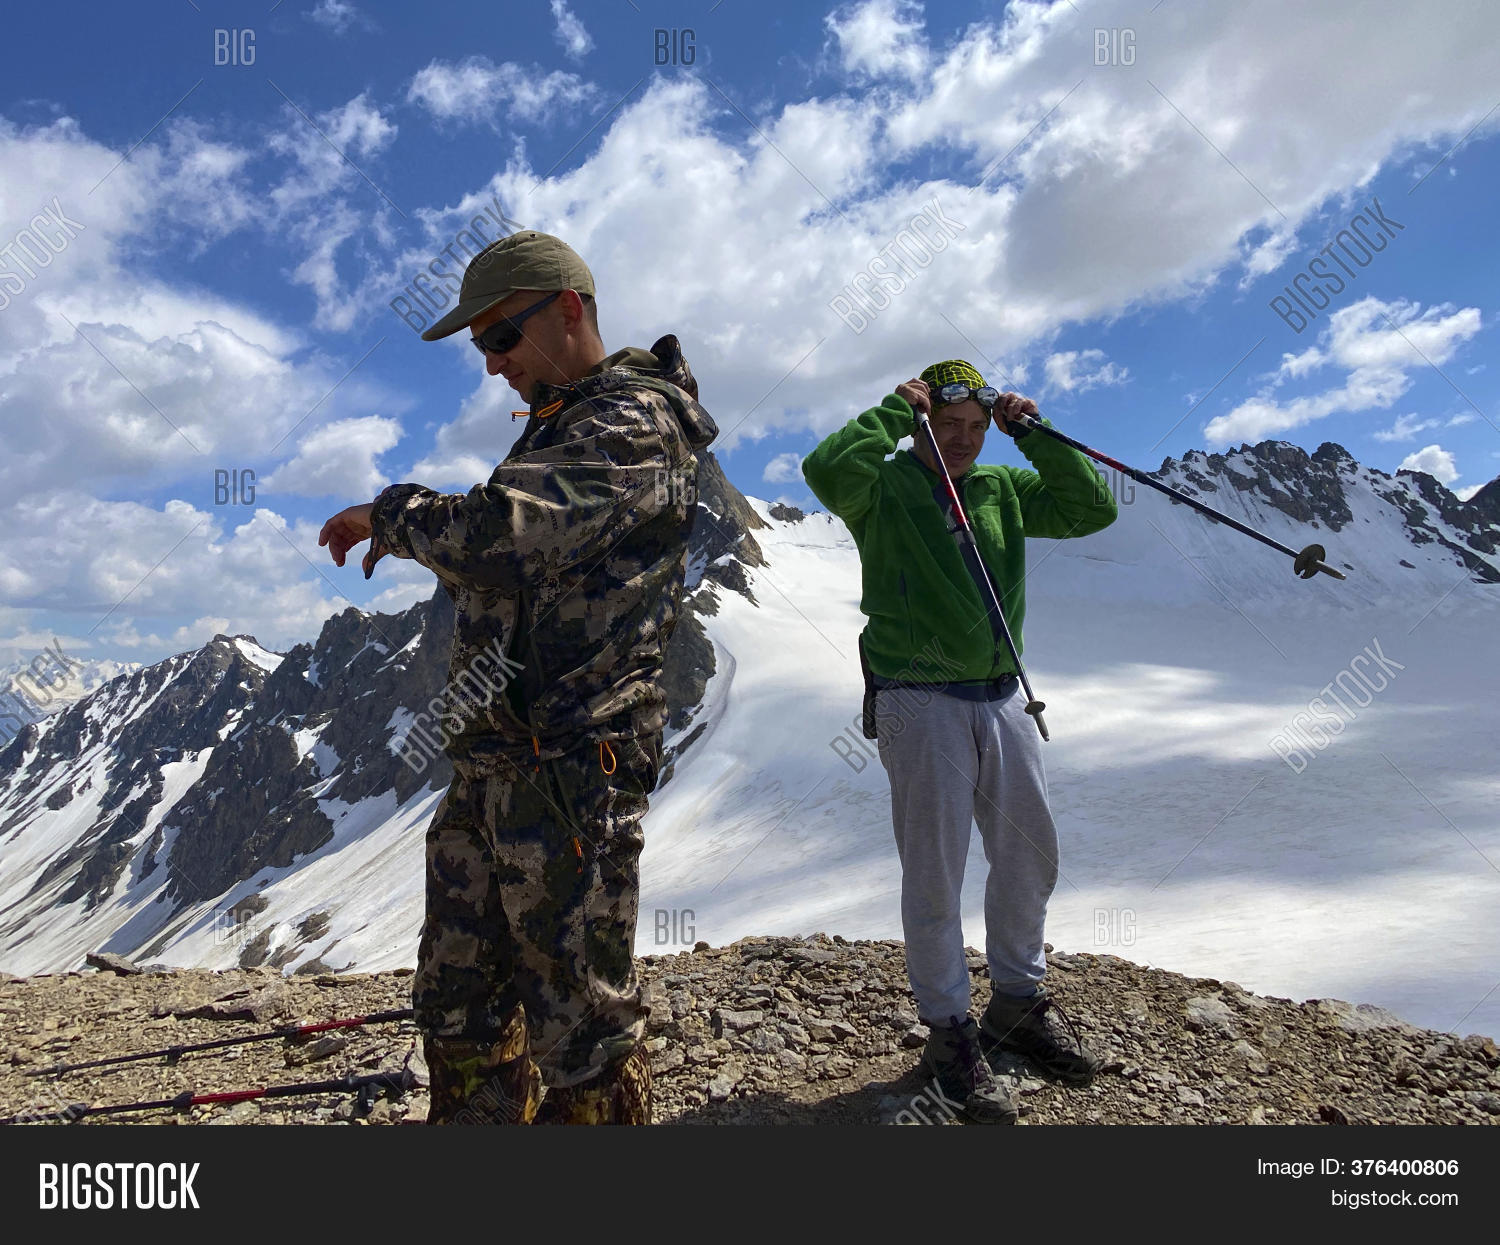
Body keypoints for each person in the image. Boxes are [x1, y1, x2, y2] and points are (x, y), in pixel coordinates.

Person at [319, 231, 717, 1124]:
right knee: (459, 1006)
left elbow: (504, 533)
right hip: (494, 766)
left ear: (569, 308)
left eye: (501, 337)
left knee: (580, 1034)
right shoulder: (562, 418)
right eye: (480, 347)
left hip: (572, 777)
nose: (492, 364)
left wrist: (393, 513)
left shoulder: (634, 422)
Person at [802, 359, 1116, 1124]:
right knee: (936, 871)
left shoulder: (1002, 490)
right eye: (949, 428)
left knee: (1028, 852)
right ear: (922, 424)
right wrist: (889, 407)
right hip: (918, 697)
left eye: (976, 428)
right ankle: (948, 1032)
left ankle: (1016, 1000)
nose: (965, 441)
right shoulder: (882, 489)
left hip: (1002, 692)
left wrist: (1034, 435)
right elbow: (824, 468)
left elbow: (1090, 508)